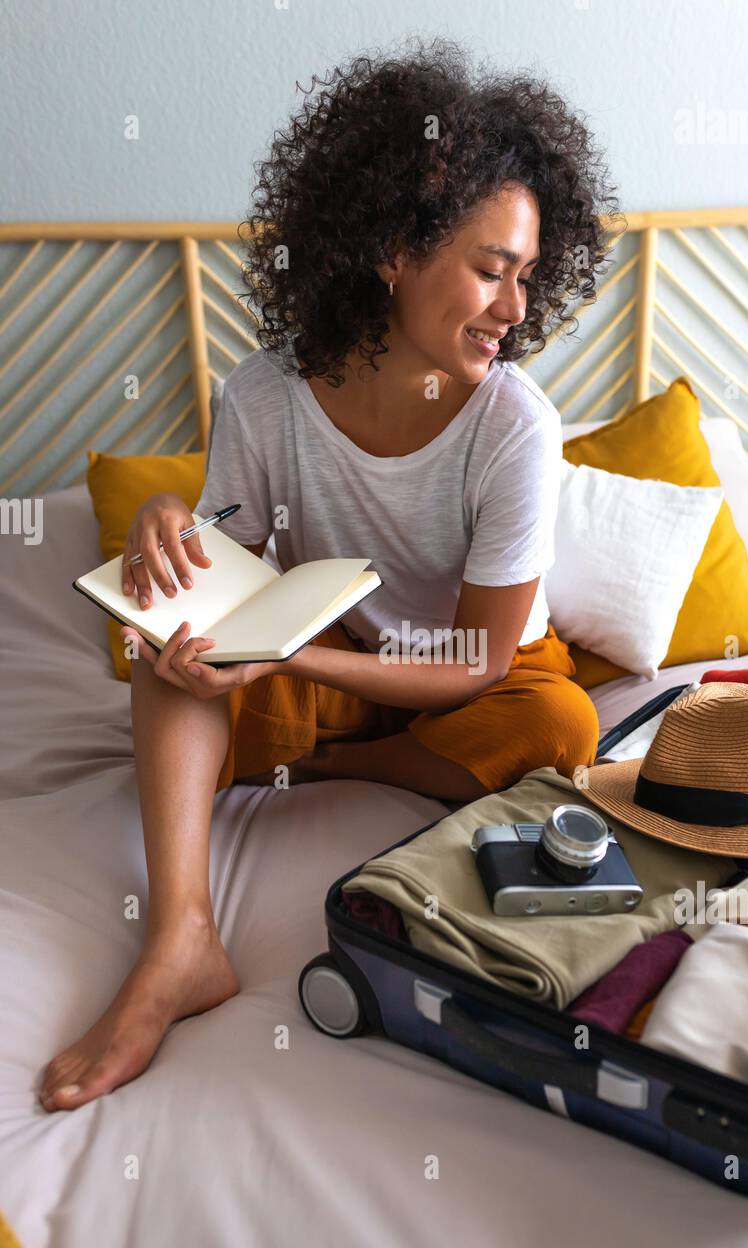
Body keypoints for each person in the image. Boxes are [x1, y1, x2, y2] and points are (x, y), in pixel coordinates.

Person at [39, 37, 614, 1112]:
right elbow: (226, 565)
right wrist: (170, 522)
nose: (515, 307)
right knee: (175, 653)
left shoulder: (515, 430)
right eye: (492, 268)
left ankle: (360, 764)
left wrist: (295, 664)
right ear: (394, 248)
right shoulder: (263, 398)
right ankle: (178, 942)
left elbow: (483, 656)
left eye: (527, 276)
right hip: (327, 647)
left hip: (469, 674)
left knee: (563, 731)